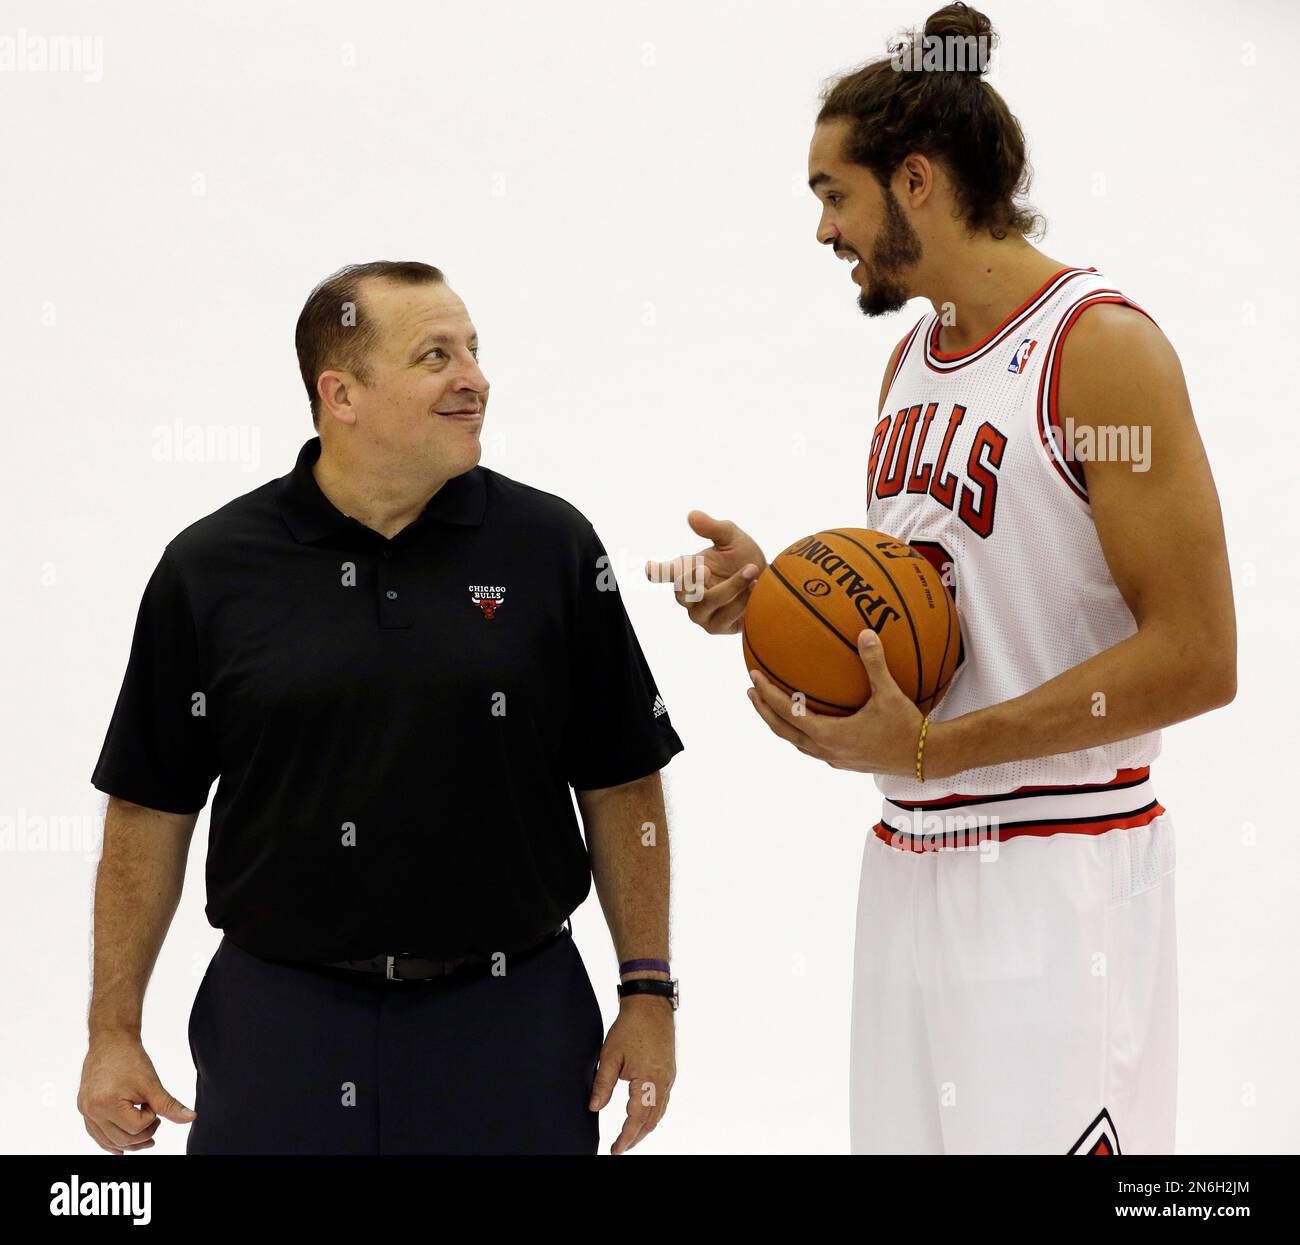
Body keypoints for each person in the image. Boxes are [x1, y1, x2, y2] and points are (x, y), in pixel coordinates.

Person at [648, 4, 1234, 1154]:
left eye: (833, 193)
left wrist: (933, 750)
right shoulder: (911, 362)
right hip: (910, 859)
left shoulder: (1098, 349)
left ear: (914, 179)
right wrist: (776, 596)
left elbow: (1200, 659)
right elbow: (931, 596)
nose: (823, 229)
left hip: (1058, 870)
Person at [80, 261, 683, 1155]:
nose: (472, 376)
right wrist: (113, 1029)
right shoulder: (209, 569)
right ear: (341, 393)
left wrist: (647, 990)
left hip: (511, 1020)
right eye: (434, 355)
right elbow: (148, 807)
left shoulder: (553, 548)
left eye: (474, 350)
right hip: (281, 1022)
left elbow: (622, 782)